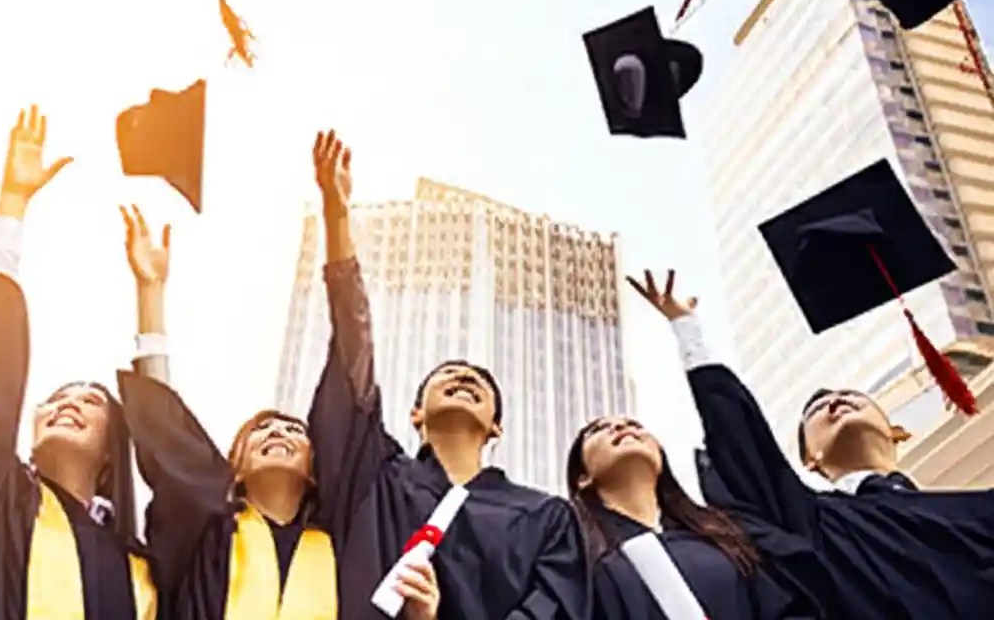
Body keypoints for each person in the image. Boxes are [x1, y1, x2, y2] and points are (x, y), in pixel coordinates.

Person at [304, 131, 586, 619]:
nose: (463, 376)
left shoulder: (545, 516)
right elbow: (353, 349)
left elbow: (553, 611)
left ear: (496, 425)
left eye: (479, 381)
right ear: (415, 414)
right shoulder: (374, 478)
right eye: (446, 375)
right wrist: (337, 215)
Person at [632, 268, 994, 619]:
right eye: (817, 410)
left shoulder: (968, 512)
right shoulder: (810, 523)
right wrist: (686, 329)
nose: (835, 401)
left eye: (851, 396)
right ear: (811, 460)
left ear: (896, 431)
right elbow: (743, 443)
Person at [0, 106, 157, 619]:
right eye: (55, 398)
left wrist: (151, 296)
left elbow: (180, 472)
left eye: (90, 402)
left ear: (113, 450)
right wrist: (12, 207)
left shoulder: (140, 575)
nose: (66, 405)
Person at [115, 195, 340, 619]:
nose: (277, 432)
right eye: (260, 430)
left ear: (315, 469)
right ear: (233, 467)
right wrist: (151, 295)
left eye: (294, 430)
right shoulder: (205, 531)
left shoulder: (341, 549)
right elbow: (167, 436)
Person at [565, 415, 822, 618]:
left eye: (635, 425)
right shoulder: (574, 554)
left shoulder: (722, 536)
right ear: (582, 477)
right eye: (598, 429)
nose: (622, 427)